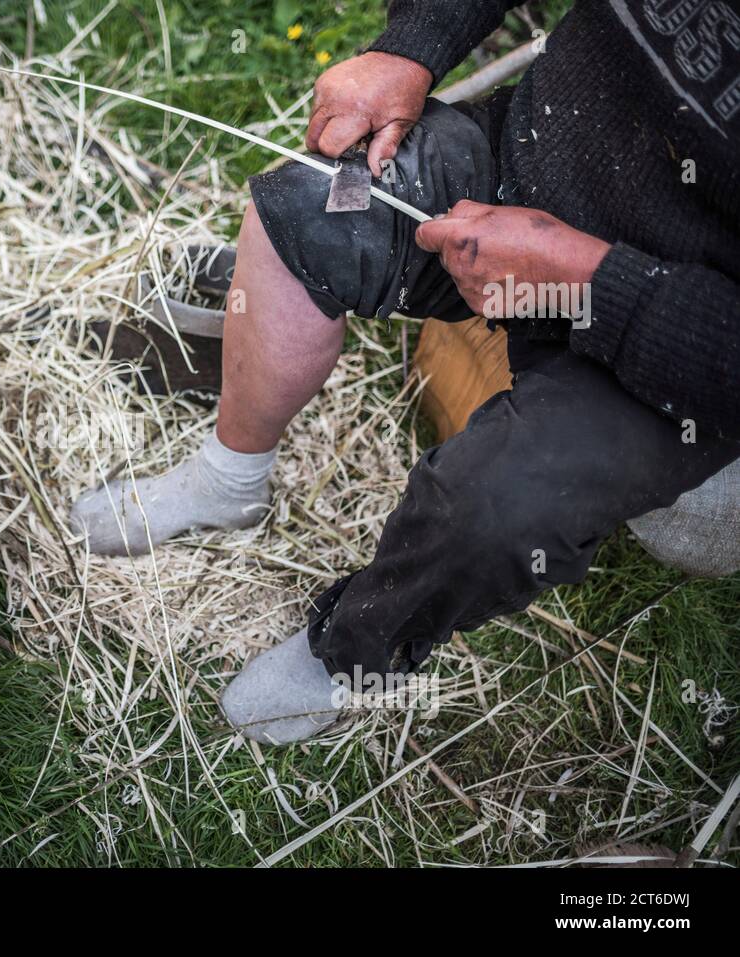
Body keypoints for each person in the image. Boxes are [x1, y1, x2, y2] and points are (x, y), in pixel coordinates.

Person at [70, 0, 740, 743]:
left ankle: (350, 656)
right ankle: (227, 482)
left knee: (495, 506)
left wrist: (591, 282)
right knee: (303, 209)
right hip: (538, 163)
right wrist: (413, 47)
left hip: (689, 339)